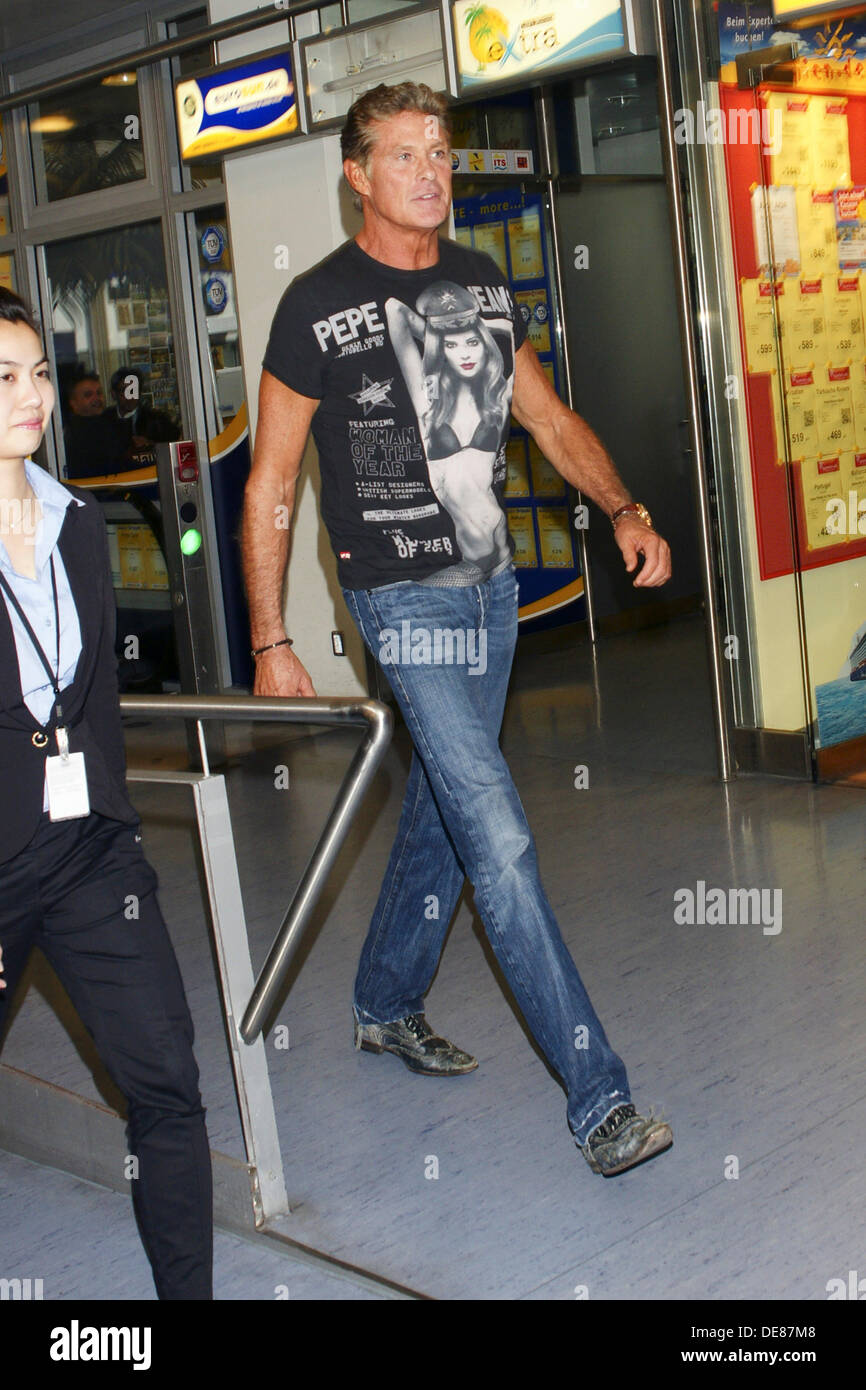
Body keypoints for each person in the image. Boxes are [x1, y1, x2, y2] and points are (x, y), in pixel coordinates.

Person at [243, 82, 674, 1177]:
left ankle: (385, 1000)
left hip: (486, 593)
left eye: (439, 151)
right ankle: (599, 1100)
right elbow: (273, 478)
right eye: (404, 155)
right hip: (399, 598)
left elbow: (541, 415)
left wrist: (620, 504)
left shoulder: (480, 284)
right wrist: (269, 637)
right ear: (357, 175)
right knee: (498, 830)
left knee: (444, 803)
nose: (431, 170)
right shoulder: (313, 306)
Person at [0, 287, 213, 1296]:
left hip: (90, 855)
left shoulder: (79, 521)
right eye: (3, 378)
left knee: (167, 1085)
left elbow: (90, 708)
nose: (30, 395)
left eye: (37, 371)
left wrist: (117, 836)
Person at [102, 365, 180, 471]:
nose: (130, 396)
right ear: (113, 394)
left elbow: (175, 449)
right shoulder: (103, 420)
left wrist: (151, 445)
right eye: (125, 391)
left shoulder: (158, 419)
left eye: (134, 390)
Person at [63, 369, 116, 479]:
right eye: (88, 395)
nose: (96, 398)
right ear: (74, 403)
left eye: (99, 393)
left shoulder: (110, 424)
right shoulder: (72, 435)